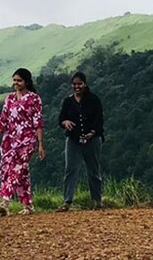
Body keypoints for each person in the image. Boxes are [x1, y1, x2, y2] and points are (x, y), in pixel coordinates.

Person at [0, 68, 46, 216]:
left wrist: (40, 144)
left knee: (16, 170)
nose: (16, 83)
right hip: (9, 141)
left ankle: (5, 202)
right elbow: (3, 120)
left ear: (26, 81)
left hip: (27, 141)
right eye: (14, 80)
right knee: (15, 172)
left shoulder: (34, 99)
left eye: (19, 80)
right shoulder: (9, 99)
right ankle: (28, 205)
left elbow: (38, 122)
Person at [56, 71, 104, 211]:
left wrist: (93, 132)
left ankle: (97, 200)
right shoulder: (68, 101)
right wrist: (65, 122)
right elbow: (61, 119)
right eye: (74, 84)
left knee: (93, 170)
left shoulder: (94, 100)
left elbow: (99, 119)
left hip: (92, 139)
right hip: (73, 139)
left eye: (79, 84)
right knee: (70, 169)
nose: (77, 87)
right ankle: (67, 201)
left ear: (85, 84)